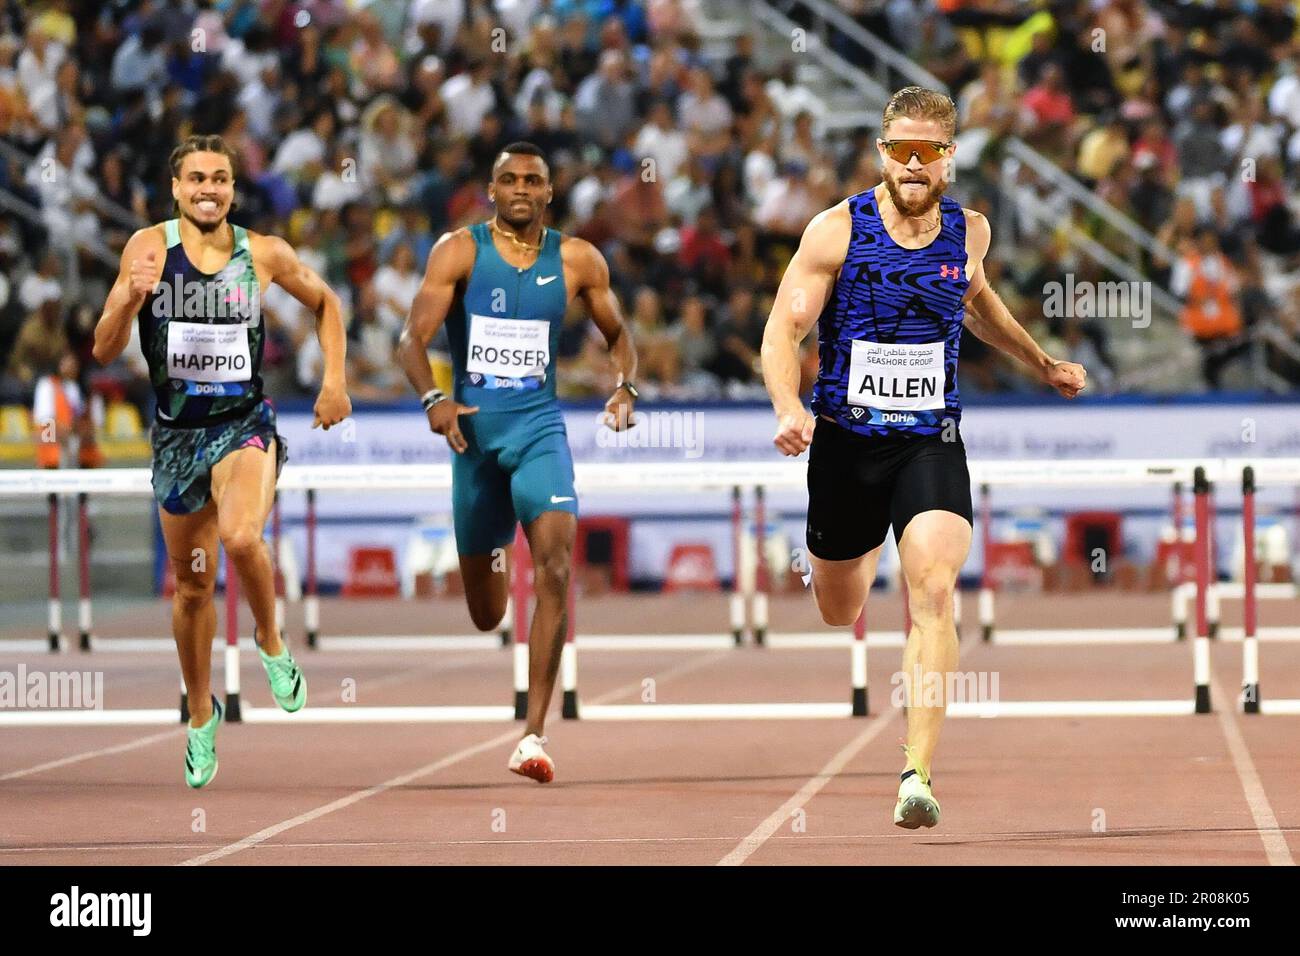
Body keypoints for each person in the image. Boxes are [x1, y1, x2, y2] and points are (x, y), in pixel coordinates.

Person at [761, 88, 1087, 829]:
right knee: (838, 609)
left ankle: (917, 773)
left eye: (927, 151)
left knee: (934, 588)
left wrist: (1041, 362)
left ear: (949, 155)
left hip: (929, 438)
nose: (912, 164)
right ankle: (844, 551)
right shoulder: (835, 231)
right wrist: (788, 406)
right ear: (881, 151)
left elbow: (979, 305)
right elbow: (783, 330)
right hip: (845, 441)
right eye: (899, 150)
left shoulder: (969, 231)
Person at [92, 134, 351, 788]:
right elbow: (102, 349)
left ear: (233, 188)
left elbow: (327, 302)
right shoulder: (147, 249)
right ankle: (201, 716)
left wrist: (334, 381)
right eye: (198, 179)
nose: (210, 189)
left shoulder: (262, 253)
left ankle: (269, 639)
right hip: (178, 437)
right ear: (176, 188)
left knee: (240, 536)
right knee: (191, 588)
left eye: (221, 179)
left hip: (244, 425)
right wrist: (128, 296)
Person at [397, 142, 636, 783]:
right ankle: (493, 604)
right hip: (473, 441)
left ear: (549, 192)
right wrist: (434, 398)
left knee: (557, 561)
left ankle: (533, 735)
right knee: (487, 612)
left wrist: (625, 386)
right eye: (509, 179)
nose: (522, 188)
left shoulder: (578, 259)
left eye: (534, 178)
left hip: (538, 430)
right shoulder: (459, 251)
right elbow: (410, 340)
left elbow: (618, 334)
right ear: (492, 191)